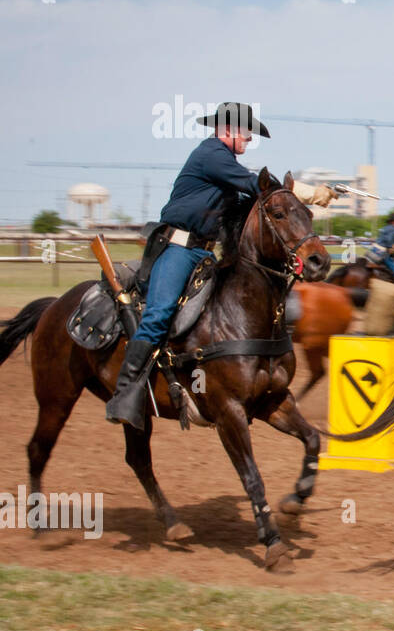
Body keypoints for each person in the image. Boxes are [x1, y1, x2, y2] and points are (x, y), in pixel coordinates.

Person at [106, 102, 337, 430]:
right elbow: (261, 185)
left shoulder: (224, 166)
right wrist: (310, 191)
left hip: (202, 254)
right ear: (226, 129)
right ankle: (125, 394)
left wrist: (300, 202)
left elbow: (262, 200)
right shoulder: (211, 154)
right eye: (246, 133)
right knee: (158, 314)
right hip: (177, 249)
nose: (248, 140)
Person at [370, 211, 394, 282]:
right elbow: (389, 241)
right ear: (393, 221)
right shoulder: (393, 229)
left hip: (374, 249)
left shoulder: (385, 228)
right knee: (393, 266)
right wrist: (393, 246)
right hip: (381, 251)